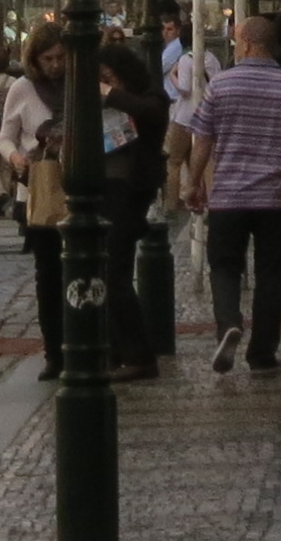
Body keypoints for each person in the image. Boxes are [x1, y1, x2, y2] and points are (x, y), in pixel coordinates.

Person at [183, 16, 281, 376]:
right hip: (276, 198)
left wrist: (193, 183)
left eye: (236, 39)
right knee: (271, 275)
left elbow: (203, 142)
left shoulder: (221, 86)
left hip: (229, 196)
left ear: (247, 44)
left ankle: (228, 323)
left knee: (224, 266)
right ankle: (263, 354)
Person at [0, 23, 78, 379]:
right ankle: (53, 350)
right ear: (35, 59)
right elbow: (5, 137)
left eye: (61, 57)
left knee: (81, 270)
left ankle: (83, 341)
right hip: (40, 190)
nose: (56, 65)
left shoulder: (80, 86)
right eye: (49, 58)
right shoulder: (23, 88)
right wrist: (14, 158)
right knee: (48, 273)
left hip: (79, 191)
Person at [91, 41, 171, 381]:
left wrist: (109, 92)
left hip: (129, 189)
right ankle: (115, 349)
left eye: (110, 77)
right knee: (104, 270)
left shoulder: (149, 96)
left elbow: (150, 112)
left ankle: (138, 353)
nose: (107, 84)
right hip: (102, 188)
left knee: (115, 271)